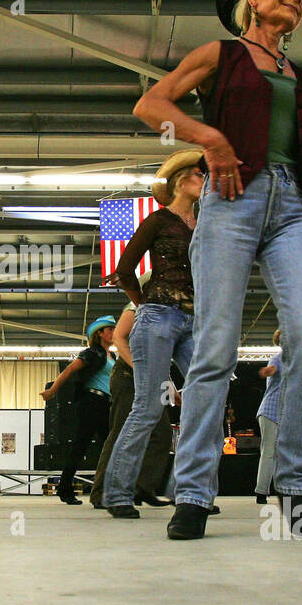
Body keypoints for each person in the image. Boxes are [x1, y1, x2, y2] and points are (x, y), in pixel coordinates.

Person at [134, 0, 302, 539]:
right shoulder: (220, 54)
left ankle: (297, 488)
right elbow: (153, 105)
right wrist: (210, 140)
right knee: (215, 348)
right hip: (229, 202)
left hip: (289, 212)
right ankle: (194, 492)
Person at [102, 150, 203, 518]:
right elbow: (125, 268)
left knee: (205, 400)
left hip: (195, 319)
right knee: (147, 407)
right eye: (198, 174)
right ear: (181, 181)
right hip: (157, 314)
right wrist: (142, 302)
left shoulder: (203, 224)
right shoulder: (159, 220)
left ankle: (190, 493)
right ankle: (117, 493)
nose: (204, 179)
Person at [88, 298, 176, 509]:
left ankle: (142, 487)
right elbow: (119, 338)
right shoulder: (139, 304)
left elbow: (160, 357)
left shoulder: (174, 310)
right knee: (121, 431)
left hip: (153, 378)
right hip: (127, 376)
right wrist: (140, 369)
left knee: (162, 433)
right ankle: (101, 492)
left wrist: (169, 385)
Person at [41, 315, 117, 504]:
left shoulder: (112, 356)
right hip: (90, 401)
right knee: (81, 445)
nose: (114, 333)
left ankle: (106, 490)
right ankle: (65, 489)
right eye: (110, 330)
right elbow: (69, 371)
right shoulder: (92, 353)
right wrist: (52, 391)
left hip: (105, 403)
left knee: (110, 445)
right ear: (99, 333)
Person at [255, 331, 284, 504]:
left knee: (281, 454)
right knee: (269, 453)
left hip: (284, 414)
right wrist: (268, 371)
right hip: (270, 411)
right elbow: (272, 368)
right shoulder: (278, 359)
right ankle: (261, 492)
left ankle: (282, 490)